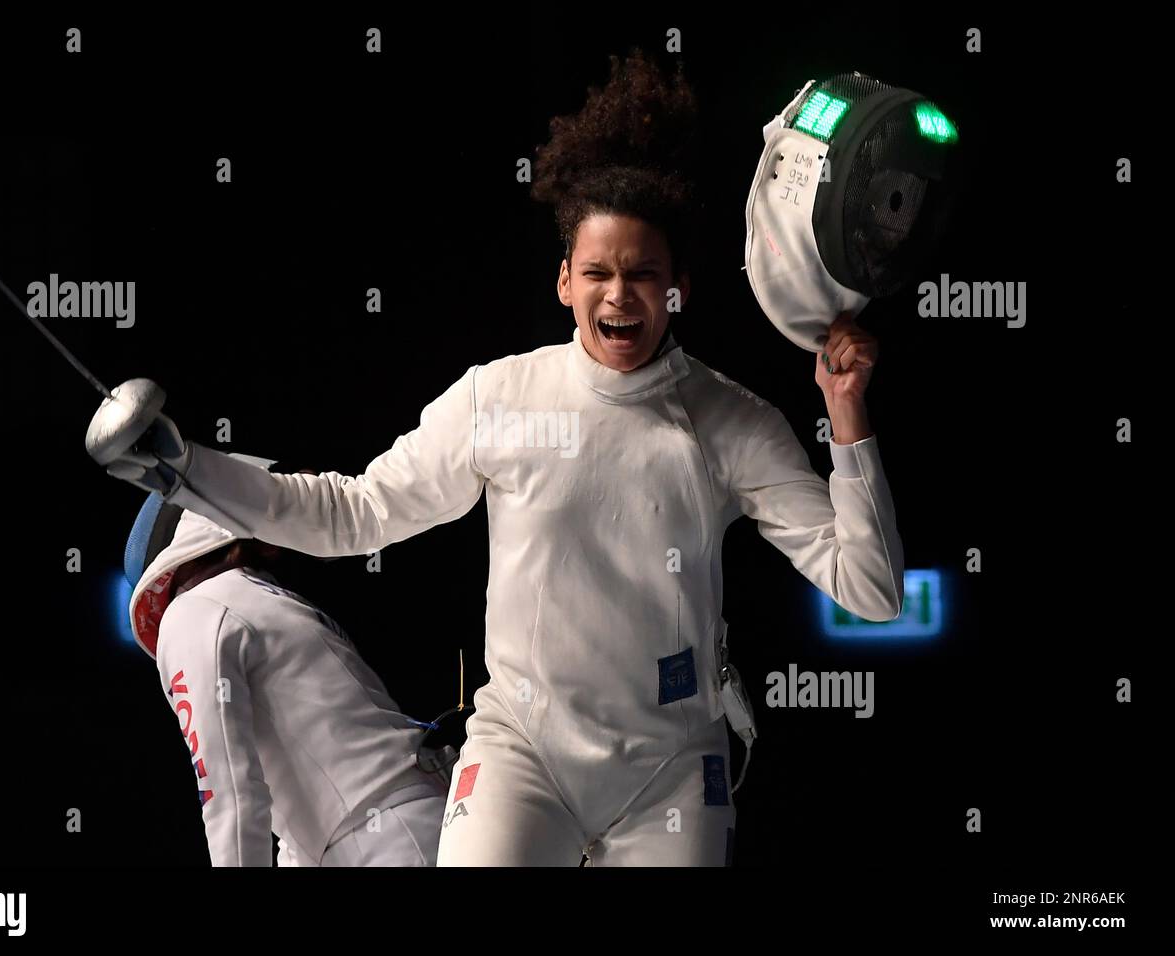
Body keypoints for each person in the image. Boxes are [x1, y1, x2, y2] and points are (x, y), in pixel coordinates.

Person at [97, 50, 903, 866]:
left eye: (641, 274)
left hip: (670, 771)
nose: (618, 295)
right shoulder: (499, 400)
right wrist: (183, 466)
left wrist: (846, 419)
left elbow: (870, 592)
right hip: (525, 754)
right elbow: (353, 512)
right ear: (564, 281)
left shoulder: (731, 421)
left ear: (677, 286)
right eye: (596, 272)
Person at [124, 457, 454, 866]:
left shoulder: (206, 609)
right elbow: (264, 809)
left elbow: (231, 798)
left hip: (388, 840)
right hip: (408, 829)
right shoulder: (214, 608)